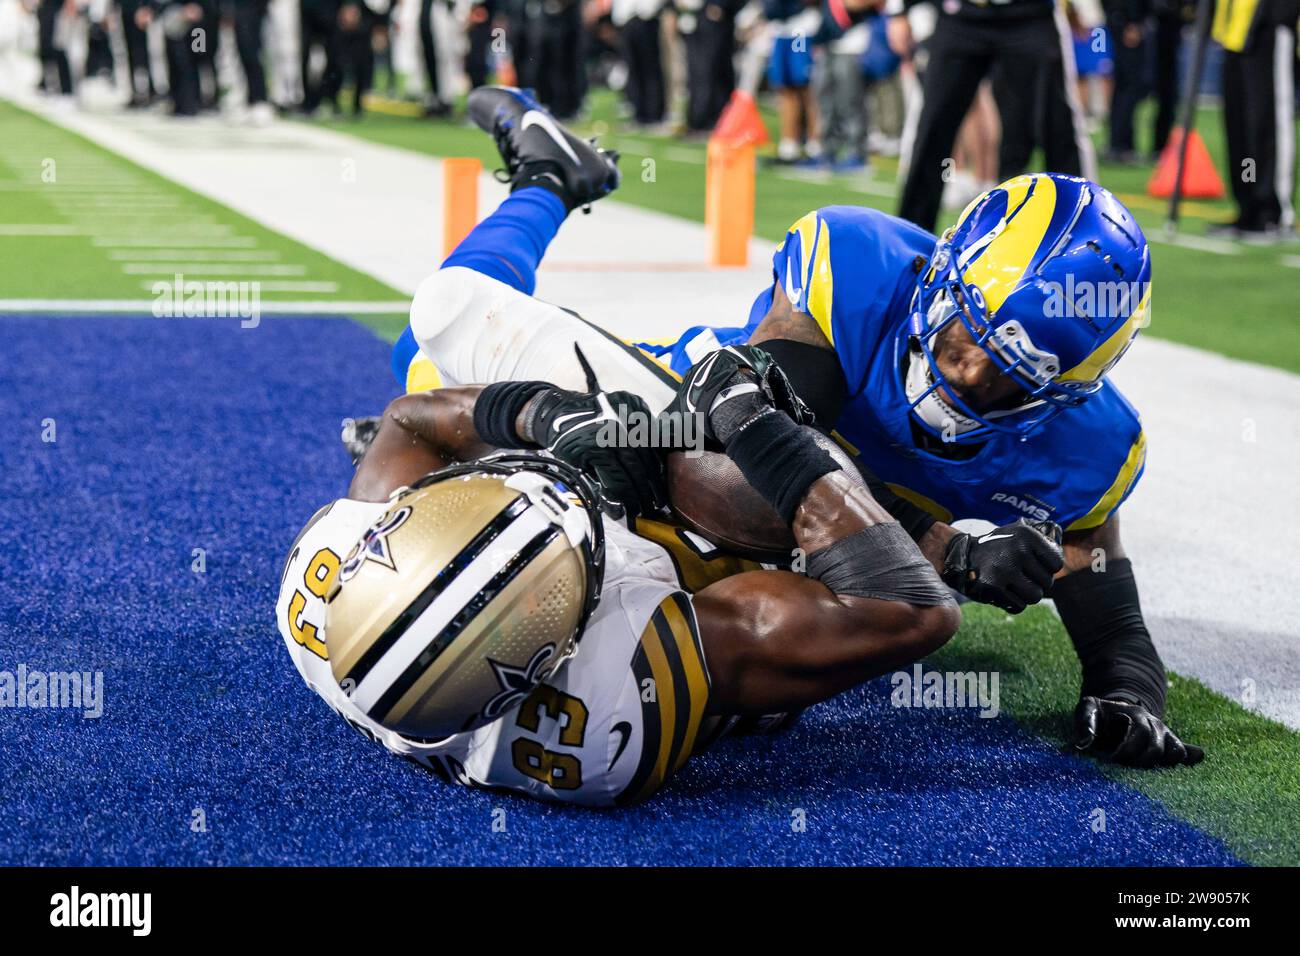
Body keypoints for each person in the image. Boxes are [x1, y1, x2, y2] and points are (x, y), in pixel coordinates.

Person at [653, 180, 1204, 769]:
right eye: (970, 328)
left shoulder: (1089, 445)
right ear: (941, 275)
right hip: (655, 422)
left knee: (908, 613)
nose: (969, 374)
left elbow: (1110, 613)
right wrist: (951, 551)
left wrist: (1128, 693)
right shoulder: (862, 263)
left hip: (774, 553)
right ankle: (546, 183)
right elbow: (750, 460)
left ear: (1064, 396)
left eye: (1013, 375)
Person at [888, 0, 1096, 232]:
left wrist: (1083, 9)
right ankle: (910, 237)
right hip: (960, 15)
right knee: (933, 126)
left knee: (1058, 125)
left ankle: (1075, 231)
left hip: (1031, 16)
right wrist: (899, 11)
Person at [1209, 0, 1299, 241]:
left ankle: (1273, 211)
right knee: (1241, 129)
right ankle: (1248, 206)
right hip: (1234, 31)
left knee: (1268, 123)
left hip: (1269, 23)